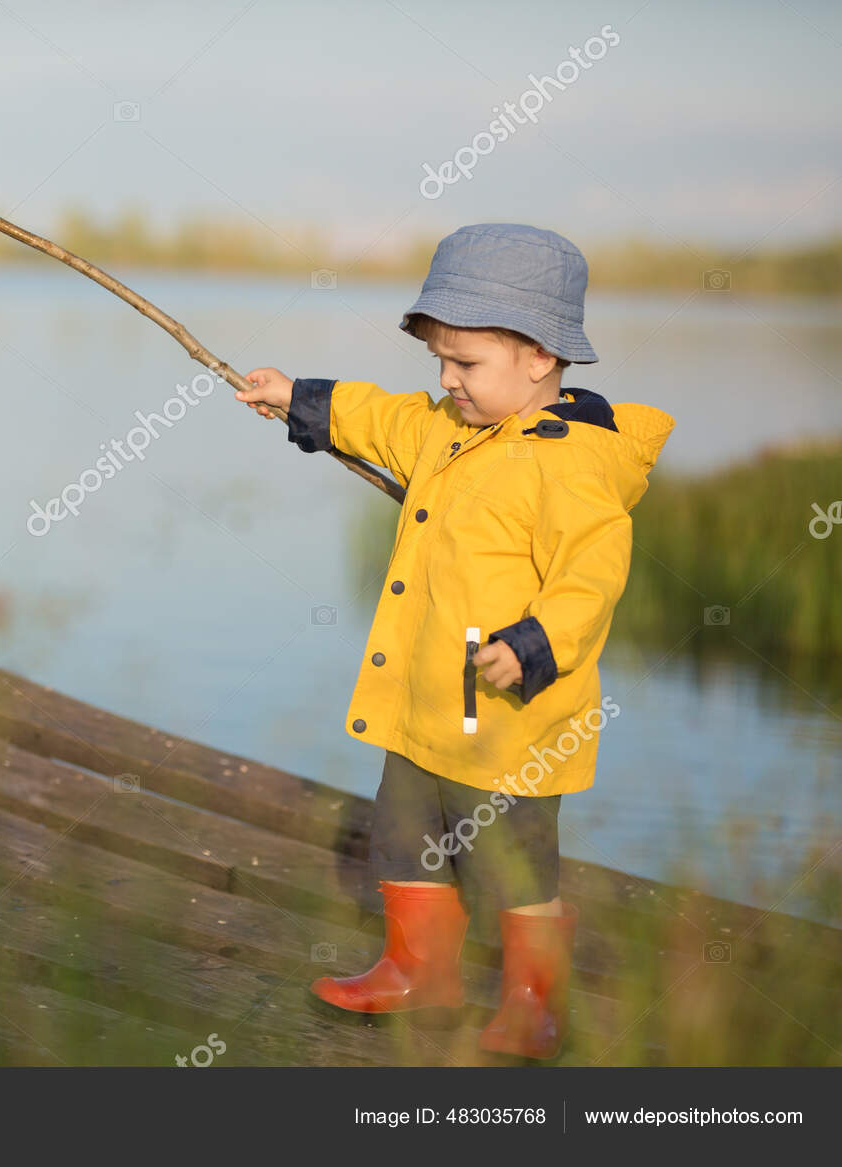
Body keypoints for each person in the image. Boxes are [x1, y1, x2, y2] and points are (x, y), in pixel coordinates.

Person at [235, 223, 674, 1058]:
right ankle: (417, 969)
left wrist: (535, 643)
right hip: (421, 708)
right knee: (404, 839)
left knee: (512, 863)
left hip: (509, 720)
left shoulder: (573, 462)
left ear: (540, 357)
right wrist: (300, 396)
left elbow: (591, 576)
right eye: (440, 359)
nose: (446, 379)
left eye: (465, 363)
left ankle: (533, 1003)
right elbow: (380, 416)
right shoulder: (445, 427)